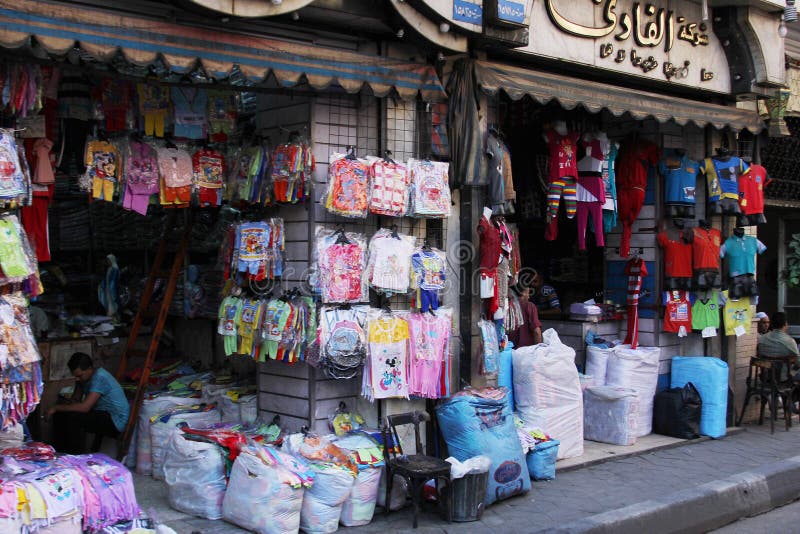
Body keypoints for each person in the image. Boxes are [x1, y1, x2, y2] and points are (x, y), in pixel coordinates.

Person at [47, 352, 130, 454]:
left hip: (115, 420)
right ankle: (59, 452)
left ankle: (73, 455)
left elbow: (85, 407)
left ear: (90, 369)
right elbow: (76, 400)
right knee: (63, 414)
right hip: (102, 414)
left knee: (74, 418)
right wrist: (61, 407)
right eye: (75, 376)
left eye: (79, 375)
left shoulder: (100, 377)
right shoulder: (83, 379)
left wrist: (56, 407)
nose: (77, 379)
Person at [507, 284, 542, 348]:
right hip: (527, 351)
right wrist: (539, 349)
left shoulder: (507, 306)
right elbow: (536, 331)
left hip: (510, 350)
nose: (529, 297)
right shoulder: (530, 306)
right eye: (527, 293)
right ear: (522, 294)